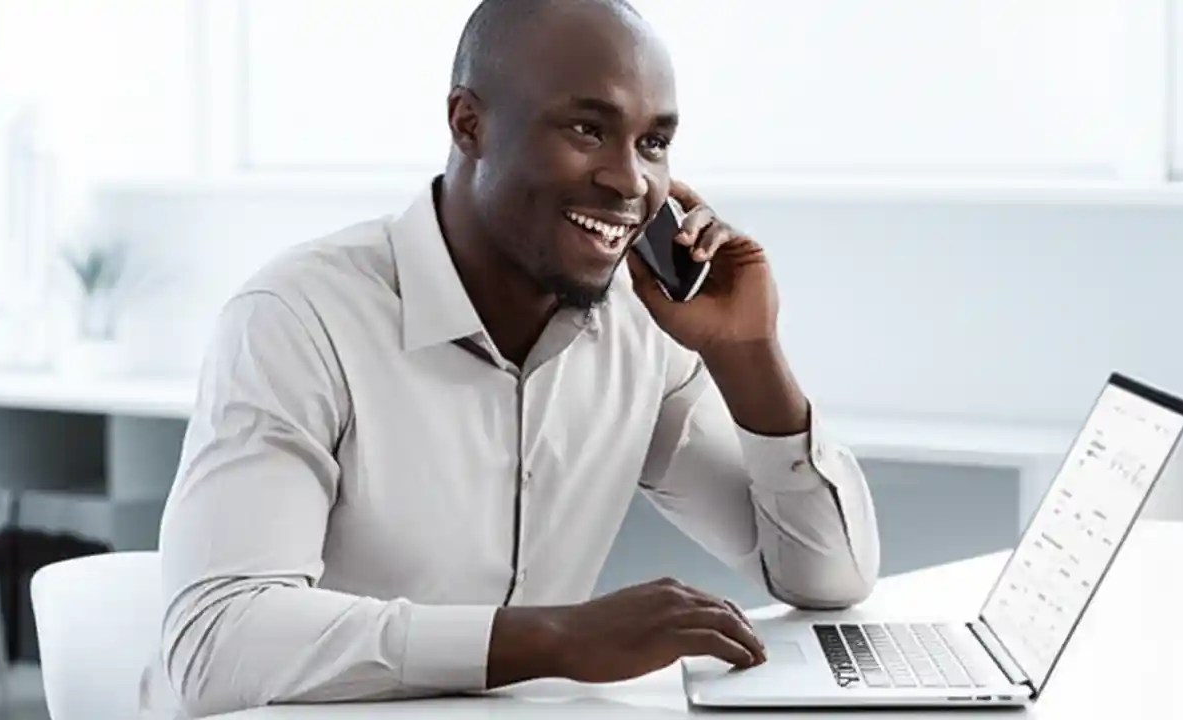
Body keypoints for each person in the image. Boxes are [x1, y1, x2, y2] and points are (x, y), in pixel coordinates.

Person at [141, 0, 880, 716]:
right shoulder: (299, 317)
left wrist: (747, 353)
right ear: (469, 123)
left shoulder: (640, 329)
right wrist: (556, 638)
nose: (630, 180)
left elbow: (827, 578)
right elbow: (218, 642)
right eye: (588, 129)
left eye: (653, 144)